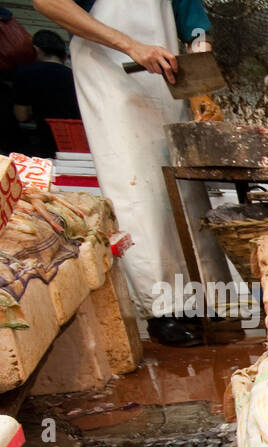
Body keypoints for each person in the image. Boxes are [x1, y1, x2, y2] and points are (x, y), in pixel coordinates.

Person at [32, 0, 230, 347]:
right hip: (110, 70)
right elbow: (49, 3)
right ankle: (164, 310)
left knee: (185, 188)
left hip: (167, 74)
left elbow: (194, 26)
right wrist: (130, 45)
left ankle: (208, 299)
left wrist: (200, 82)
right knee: (136, 190)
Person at [12, 30, 80, 159]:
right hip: (76, 142)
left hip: (43, 140)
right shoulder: (76, 76)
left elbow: (21, 115)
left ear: (36, 50)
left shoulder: (25, 73)